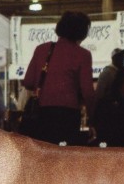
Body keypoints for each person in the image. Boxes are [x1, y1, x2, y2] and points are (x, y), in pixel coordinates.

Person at [20, 11, 95, 145]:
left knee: (43, 155)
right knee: (64, 157)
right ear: (83, 32)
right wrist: (93, 118)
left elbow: (29, 81)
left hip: (41, 113)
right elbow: (88, 91)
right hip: (68, 115)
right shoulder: (83, 55)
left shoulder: (42, 49)